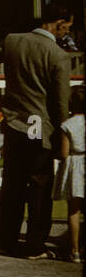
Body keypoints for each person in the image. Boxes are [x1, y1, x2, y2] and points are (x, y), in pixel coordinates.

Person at [0, 4, 74, 259]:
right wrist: (62, 135)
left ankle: (6, 241)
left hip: (15, 123)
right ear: (59, 23)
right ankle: (35, 245)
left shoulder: (13, 41)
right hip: (41, 127)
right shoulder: (58, 55)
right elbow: (61, 103)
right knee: (39, 185)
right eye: (67, 28)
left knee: (12, 184)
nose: (67, 33)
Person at [54, 86, 84, 263]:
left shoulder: (67, 125)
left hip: (75, 166)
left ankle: (75, 250)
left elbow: (64, 153)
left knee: (74, 211)